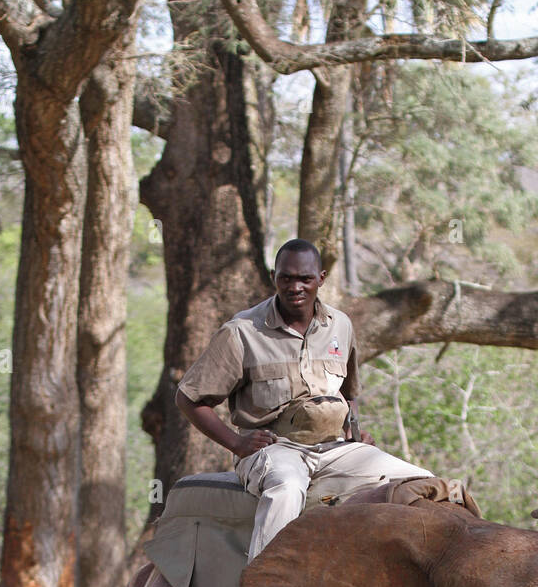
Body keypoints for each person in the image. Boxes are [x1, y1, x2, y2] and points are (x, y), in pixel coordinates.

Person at [175, 238, 433, 561]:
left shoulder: (340, 326)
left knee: (422, 482)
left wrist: (355, 428)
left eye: (305, 279)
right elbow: (189, 398)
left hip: (335, 448)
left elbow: (347, 392)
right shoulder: (242, 332)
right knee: (285, 490)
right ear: (274, 277)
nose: (295, 286)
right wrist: (237, 444)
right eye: (286, 278)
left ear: (321, 279)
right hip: (277, 449)